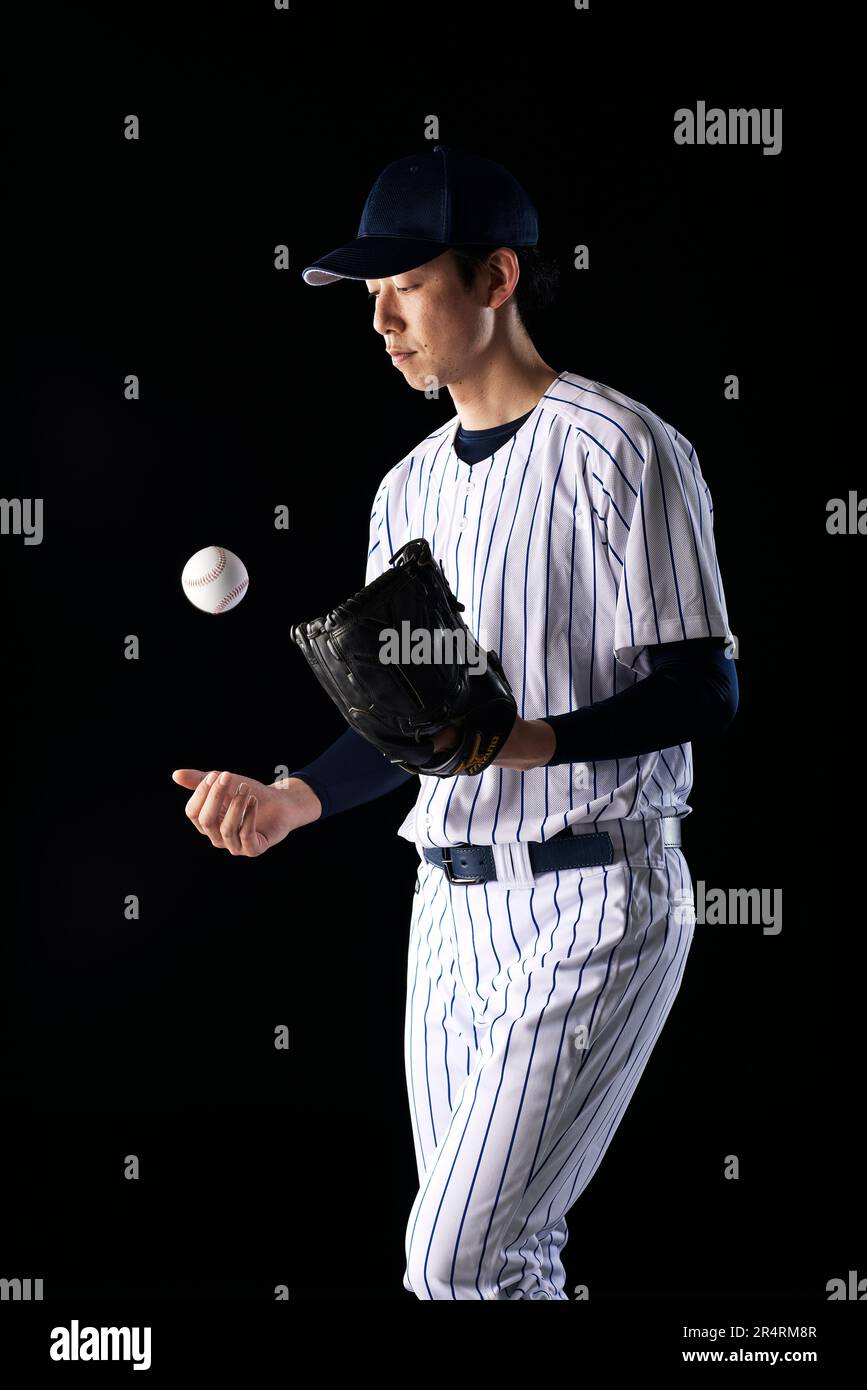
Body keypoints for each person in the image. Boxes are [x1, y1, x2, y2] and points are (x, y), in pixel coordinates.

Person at [172, 144, 739, 1300]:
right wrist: (291, 799)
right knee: (495, 1269)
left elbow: (705, 686)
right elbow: (408, 729)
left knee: (458, 1259)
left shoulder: (624, 450)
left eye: (405, 284)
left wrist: (531, 739)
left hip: (595, 899)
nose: (381, 318)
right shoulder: (408, 488)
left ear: (496, 279)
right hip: (448, 912)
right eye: (369, 295)